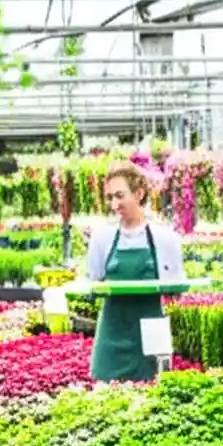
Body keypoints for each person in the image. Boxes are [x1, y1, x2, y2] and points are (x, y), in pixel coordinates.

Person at [87, 161, 185, 383]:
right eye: (110, 197)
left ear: (139, 193)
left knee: (152, 395)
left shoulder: (165, 239)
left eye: (120, 196)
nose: (114, 204)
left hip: (151, 331)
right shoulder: (102, 239)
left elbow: (175, 288)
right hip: (112, 331)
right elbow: (93, 282)